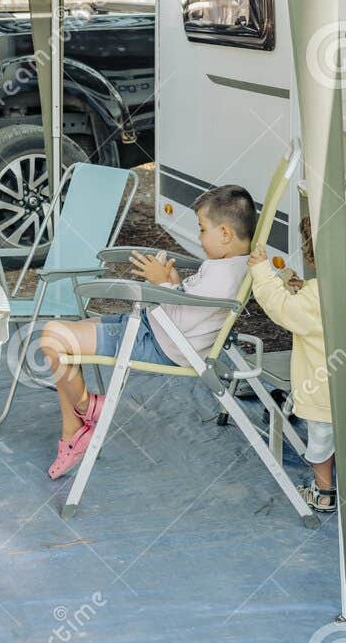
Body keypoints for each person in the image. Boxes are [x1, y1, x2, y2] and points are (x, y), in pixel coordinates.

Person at [39, 184, 256, 480]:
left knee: (53, 338)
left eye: (203, 229)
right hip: (149, 328)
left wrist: (160, 285)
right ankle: (73, 431)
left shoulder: (224, 273)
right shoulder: (230, 266)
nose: (199, 237)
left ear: (226, 234)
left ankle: (89, 408)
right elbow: (193, 309)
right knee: (64, 339)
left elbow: (180, 323)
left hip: (154, 342)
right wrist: (174, 283)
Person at [248, 208, 346, 532]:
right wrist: (303, 288)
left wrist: (262, 272)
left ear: (316, 254)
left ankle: (324, 494)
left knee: (321, 445)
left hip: (323, 392)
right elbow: (338, 313)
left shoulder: (316, 295)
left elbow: (284, 310)